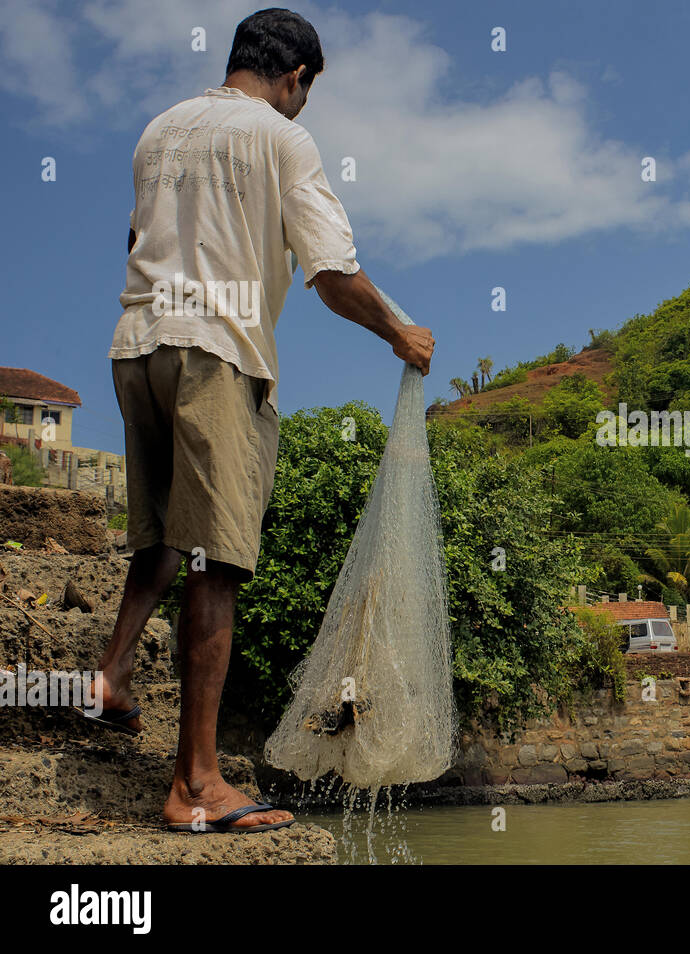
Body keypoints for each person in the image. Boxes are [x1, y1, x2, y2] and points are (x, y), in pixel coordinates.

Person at [89, 8, 434, 834]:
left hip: (138, 346)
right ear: (295, 78)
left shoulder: (159, 130)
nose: (303, 105)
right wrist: (399, 332)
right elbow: (331, 270)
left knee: (165, 538)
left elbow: (137, 237)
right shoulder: (281, 140)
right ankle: (196, 786)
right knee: (217, 564)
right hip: (215, 354)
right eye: (307, 92)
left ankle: (110, 671)